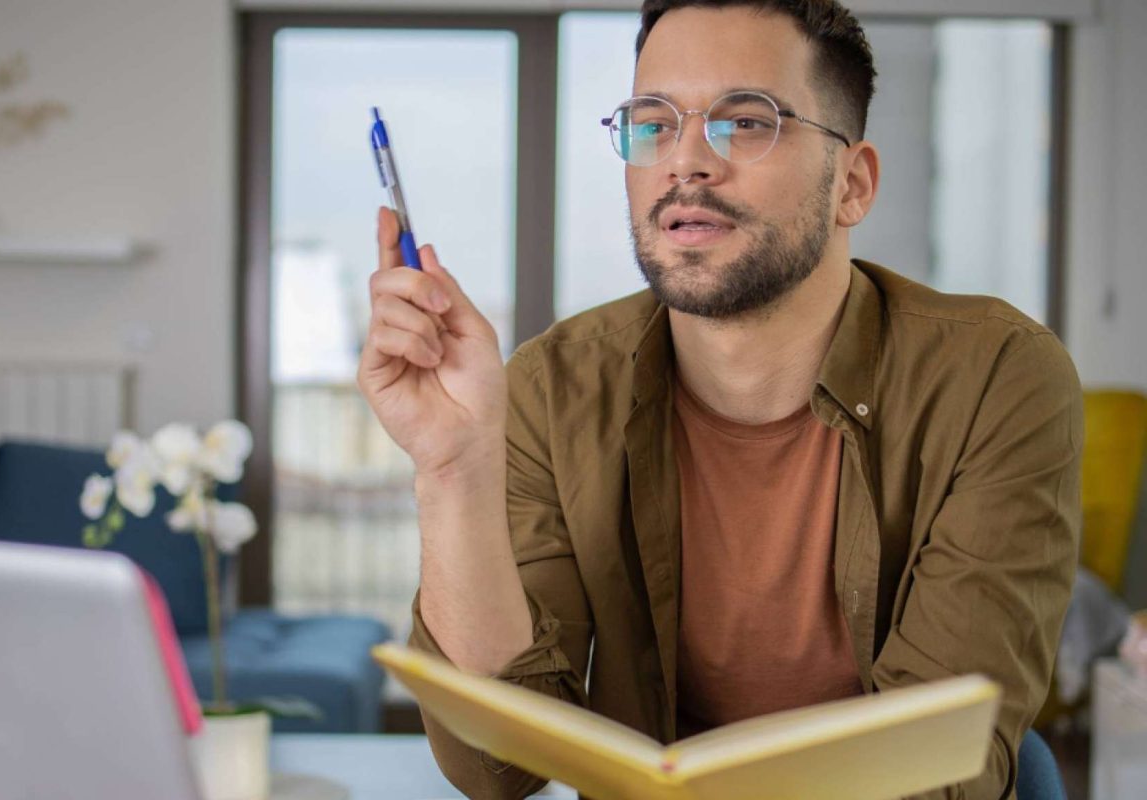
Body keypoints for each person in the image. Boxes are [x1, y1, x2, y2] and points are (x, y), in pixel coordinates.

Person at [357, 1, 1082, 797]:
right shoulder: (551, 388)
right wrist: (452, 469)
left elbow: (944, 772)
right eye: (654, 123)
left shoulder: (996, 377)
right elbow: (495, 767)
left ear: (852, 183)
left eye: (745, 121)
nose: (685, 163)